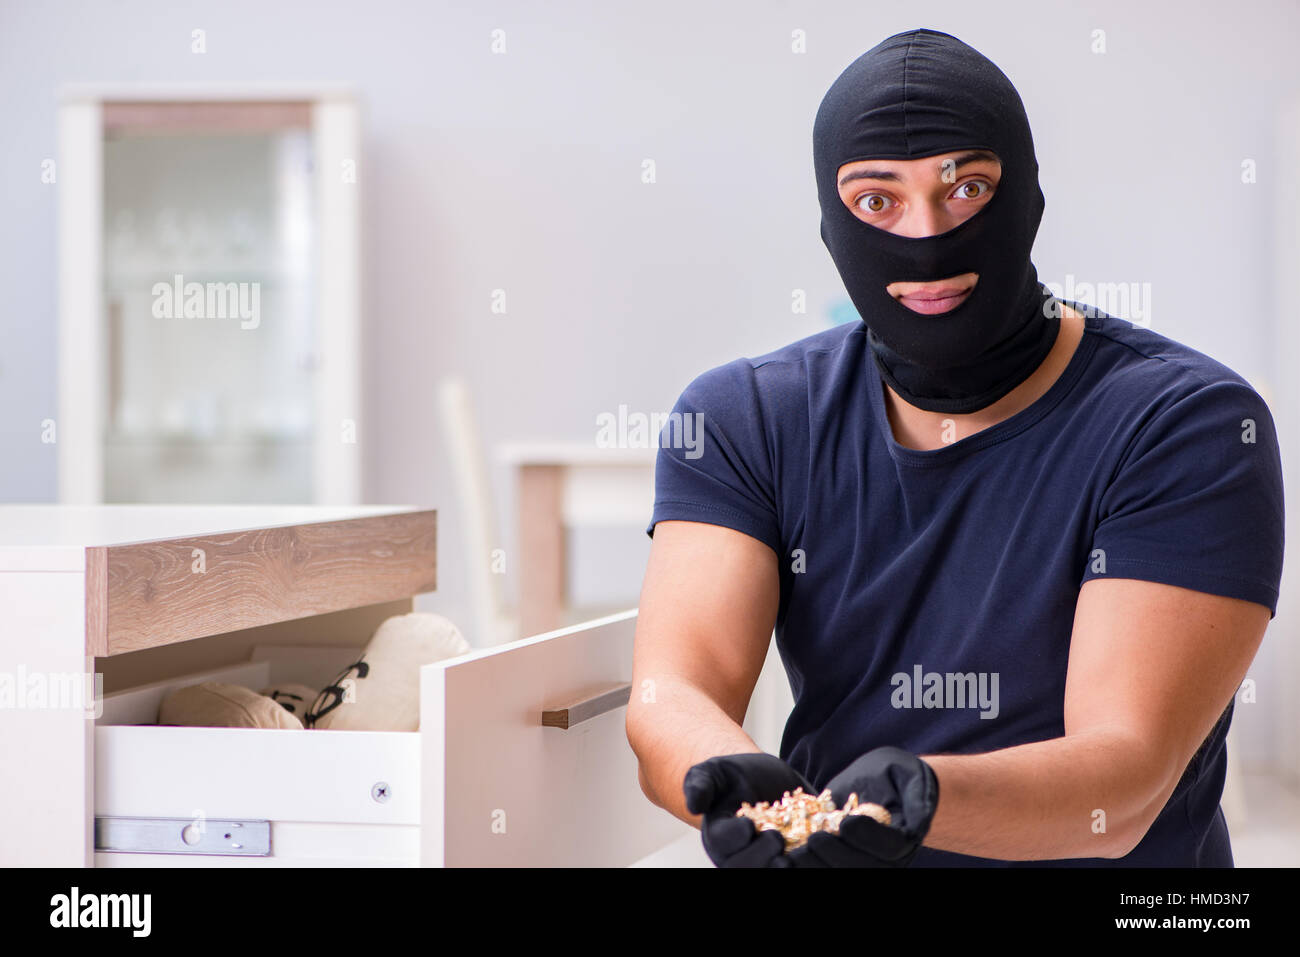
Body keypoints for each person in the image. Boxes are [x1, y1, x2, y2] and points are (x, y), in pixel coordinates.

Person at [624, 27, 1284, 867]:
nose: (926, 239)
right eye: (877, 201)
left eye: (966, 187)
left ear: (1029, 200)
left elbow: (1122, 782)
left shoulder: (1188, 423)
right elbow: (674, 687)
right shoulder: (744, 416)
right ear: (831, 224)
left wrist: (916, 802)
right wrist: (734, 785)